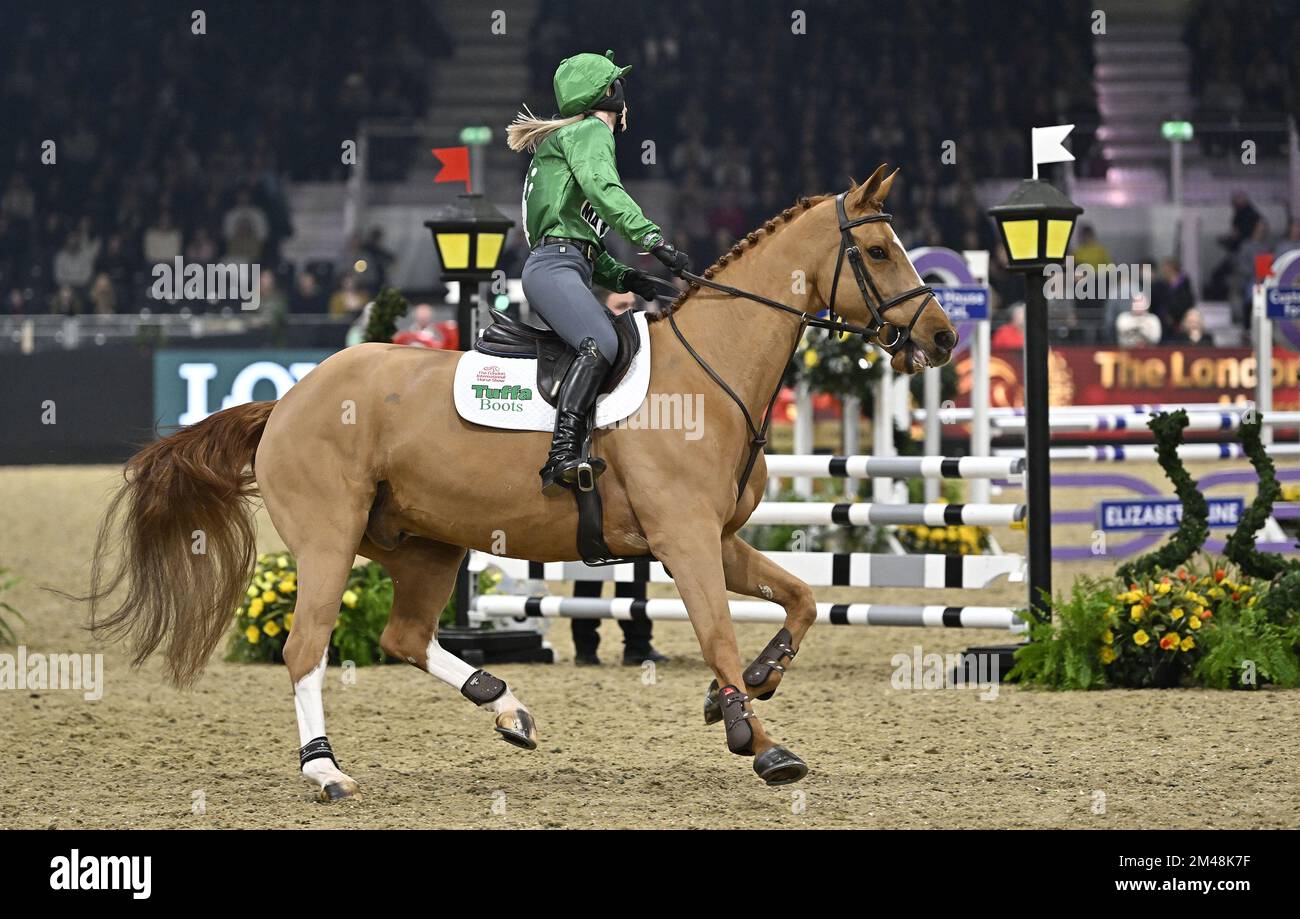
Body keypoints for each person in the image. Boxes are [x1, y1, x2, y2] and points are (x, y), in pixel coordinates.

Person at [507, 50, 691, 495]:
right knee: (601, 342)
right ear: (612, 95)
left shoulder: (569, 137)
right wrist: (654, 240)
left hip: (564, 264)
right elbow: (605, 191)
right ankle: (562, 454)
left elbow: (582, 245)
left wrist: (629, 278)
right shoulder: (591, 131)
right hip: (555, 268)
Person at [567, 288, 666, 666]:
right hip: (591, 466)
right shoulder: (591, 350)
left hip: (628, 471)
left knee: (637, 563)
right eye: (620, 306)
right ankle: (585, 647)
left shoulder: (638, 355)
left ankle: (638, 645)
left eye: (632, 306)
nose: (629, 312)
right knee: (587, 566)